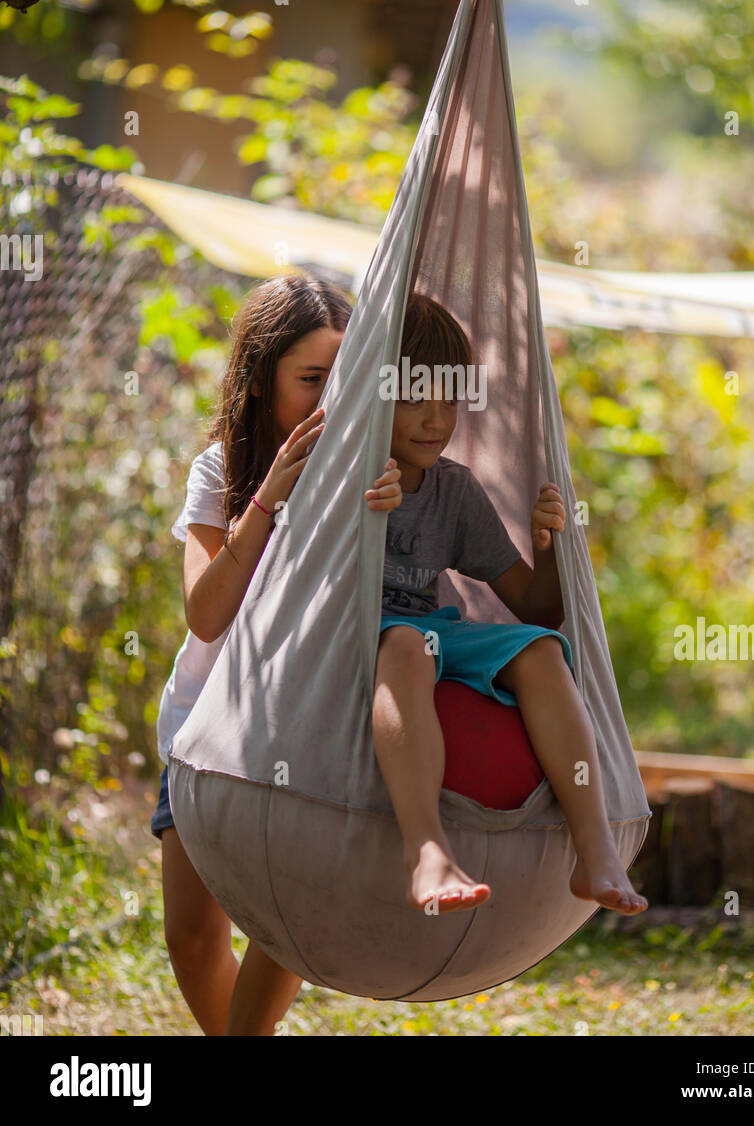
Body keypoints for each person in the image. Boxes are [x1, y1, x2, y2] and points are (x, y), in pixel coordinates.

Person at [151, 274, 401, 1035]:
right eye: (310, 379)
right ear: (262, 382)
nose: (328, 399)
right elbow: (206, 614)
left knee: (279, 924)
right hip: (204, 726)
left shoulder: (373, 473)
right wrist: (268, 502)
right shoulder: (220, 472)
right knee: (191, 940)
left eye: (343, 376)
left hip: (302, 733)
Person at [372, 293, 648, 919]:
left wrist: (548, 549)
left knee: (542, 650)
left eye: (450, 400)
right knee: (408, 643)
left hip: (433, 630)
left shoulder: (455, 490)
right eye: (416, 398)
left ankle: (595, 849)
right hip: (364, 635)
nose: (436, 420)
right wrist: (356, 505)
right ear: (375, 390)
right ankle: (427, 852)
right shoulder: (343, 472)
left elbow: (535, 608)